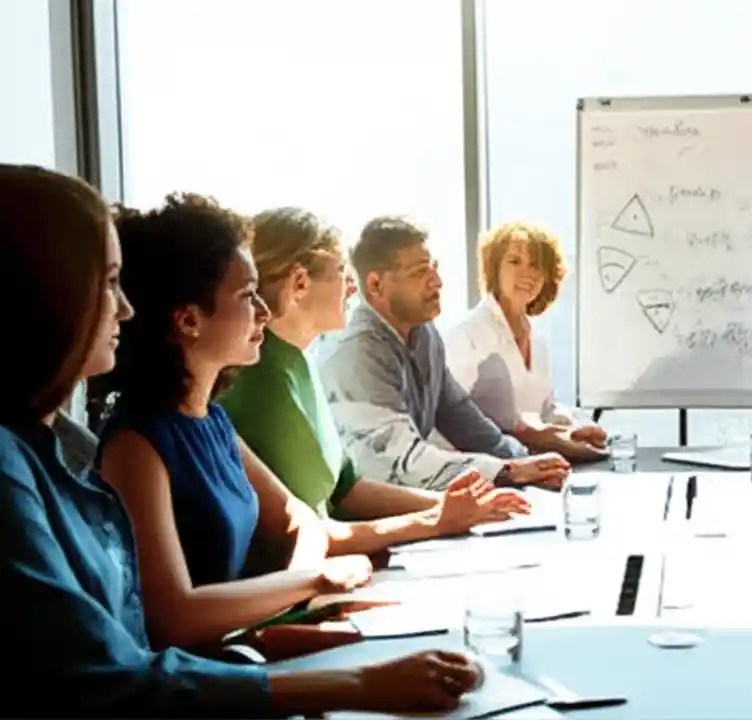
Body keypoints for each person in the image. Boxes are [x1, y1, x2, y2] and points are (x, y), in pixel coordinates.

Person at [0, 163, 482, 716]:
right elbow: (118, 670)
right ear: (47, 294)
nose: (125, 308)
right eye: (109, 283)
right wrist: (354, 677)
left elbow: (134, 647)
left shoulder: (69, 446)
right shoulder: (64, 458)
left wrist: (271, 636)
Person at [92, 194, 505, 652]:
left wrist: (304, 593)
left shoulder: (212, 421)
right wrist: (311, 583)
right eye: (247, 297)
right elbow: (174, 619)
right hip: (214, 671)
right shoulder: (134, 446)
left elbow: (301, 522)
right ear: (189, 320)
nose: (263, 312)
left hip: (250, 643)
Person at [221, 207, 529, 525]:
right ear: (300, 283)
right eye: (341, 271)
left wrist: (456, 505)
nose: (353, 288)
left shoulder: (300, 361)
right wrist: (436, 519)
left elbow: (347, 489)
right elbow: (313, 530)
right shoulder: (268, 379)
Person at [319, 215, 570, 490]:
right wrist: (506, 471)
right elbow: (399, 461)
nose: (437, 281)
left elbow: (457, 413)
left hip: (416, 492)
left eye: (434, 268)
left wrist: (526, 460)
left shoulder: (423, 331)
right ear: (375, 285)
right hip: (365, 502)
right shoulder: (356, 351)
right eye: (420, 273)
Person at [442, 221, 606, 461]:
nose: (527, 273)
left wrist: (576, 429)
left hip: (533, 465)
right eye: (514, 261)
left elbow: (544, 410)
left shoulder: (537, 339)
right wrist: (530, 437)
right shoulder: (466, 334)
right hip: (485, 468)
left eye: (536, 265)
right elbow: (449, 419)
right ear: (494, 268)